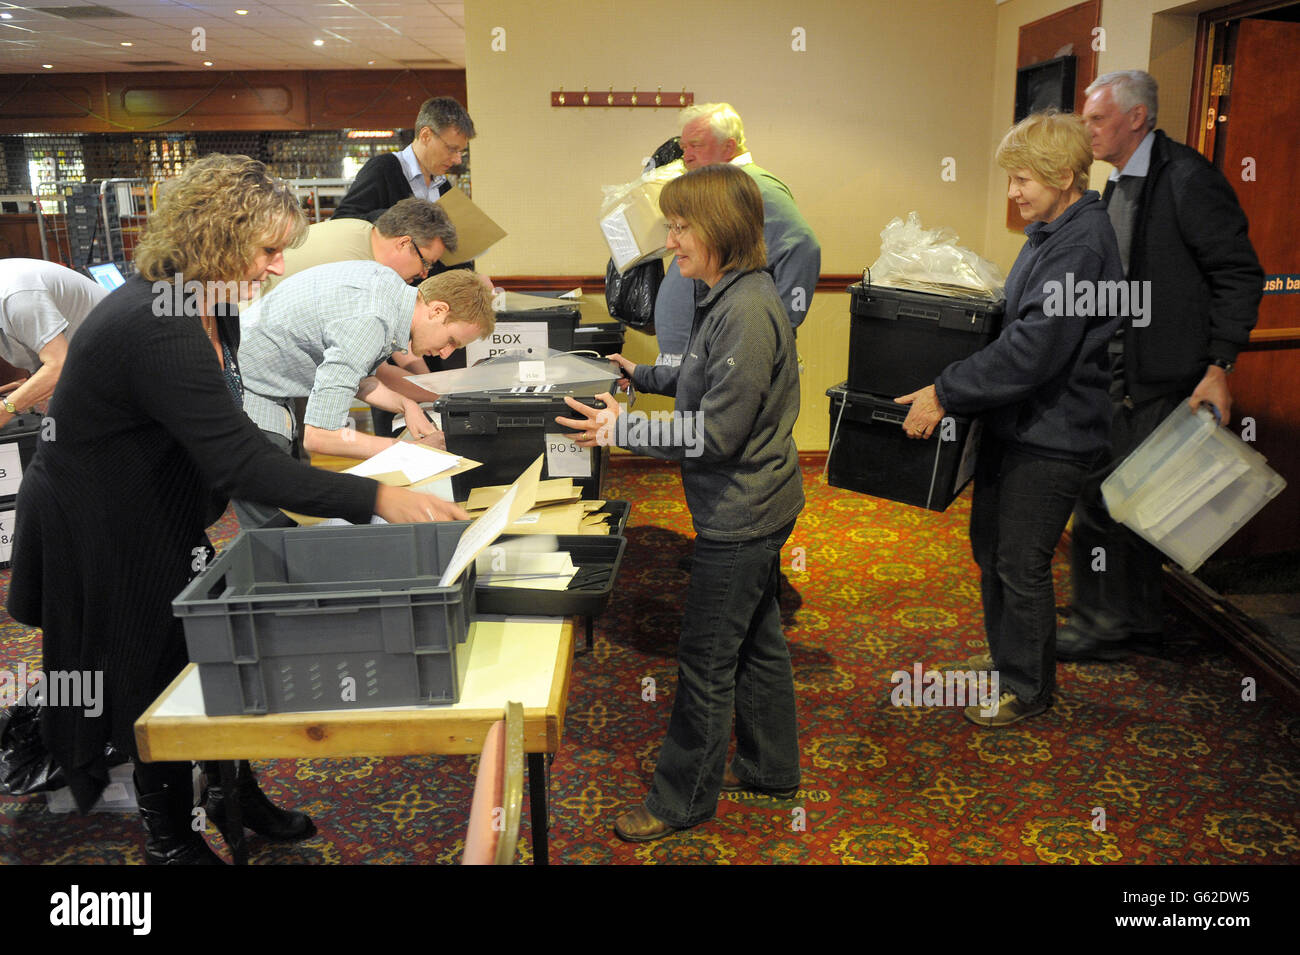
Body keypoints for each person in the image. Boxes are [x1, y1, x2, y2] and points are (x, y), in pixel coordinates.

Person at [6, 154, 466, 865]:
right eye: (268, 248)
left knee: (205, 654)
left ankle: (231, 791)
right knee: (148, 676)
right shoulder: (155, 319)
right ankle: (169, 836)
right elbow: (237, 461)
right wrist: (377, 495)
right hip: (101, 522)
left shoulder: (211, 305)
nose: (277, 267)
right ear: (216, 237)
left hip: (157, 502)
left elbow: (226, 434)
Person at [558, 163, 804, 840]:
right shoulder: (730, 294)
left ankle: (681, 801)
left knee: (704, 661)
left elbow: (717, 433)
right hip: (756, 502)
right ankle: (773, 770)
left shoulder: (747, 310)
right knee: (757, 640)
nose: (670, 241)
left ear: (721, 229)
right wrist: (639, 373)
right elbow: (701, 373)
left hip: (742, 513)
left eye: (680, 225)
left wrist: (621, 427)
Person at [897, 111, 1125, 727]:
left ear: (1063, 176)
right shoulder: (1053, 230)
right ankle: (1010, 660)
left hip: (1052, 436)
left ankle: (1026, 687)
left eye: (1023, 179)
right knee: (992, 550)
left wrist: (946, 391)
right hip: (1021, 424)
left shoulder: (1079, 243)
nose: (1013, 192)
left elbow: (1034, 350)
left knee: (1019, 562)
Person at [1057, 70, 1263, 662]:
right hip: (1118, 372)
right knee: (1121, 500)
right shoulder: (1120, 182)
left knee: (1110, 500)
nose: (1087, 130)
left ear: (1136, 119)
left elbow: (1238, 273)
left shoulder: (1187, 179)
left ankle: (1109, 623)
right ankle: (1130, 620)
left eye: (1097, 119)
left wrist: (1219, 364)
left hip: (1164, 376)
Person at [232, 261, 494, 529]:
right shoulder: (371, 322)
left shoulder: (388, 288)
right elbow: (321, 435)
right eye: (451, 340)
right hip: (249, 389)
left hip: (263, 382)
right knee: (273, 529)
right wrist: (409, 451)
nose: (446, 352)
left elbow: (360, 377)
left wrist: (406, 405)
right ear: (438, 310)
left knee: (291, 505)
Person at [652, 102, 820, 366]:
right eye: (684, 148)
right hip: (702, 353)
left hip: (731, 358)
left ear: (728, 147)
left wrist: (781, 323)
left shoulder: (757, 187)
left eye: (696, 145)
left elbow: (804, 246)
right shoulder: (715, 190)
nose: (687, 156)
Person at [258, 197, 458, 296]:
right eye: (426, 263)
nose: (424, 274)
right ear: (404, 243)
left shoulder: (360, 229)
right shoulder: (360, 272)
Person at [333, 96, 475, 224]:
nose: (457, 160)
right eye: (451, 149)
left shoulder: (442, 184)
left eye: (460, 152)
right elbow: (342, 221)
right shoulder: (383, 169)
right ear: (426, 136)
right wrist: (399, 218)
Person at [0, 259, 106, 426]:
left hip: (121, 367)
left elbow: (58, 367)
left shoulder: (16, 298)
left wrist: (6, 409)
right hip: (90, 373)